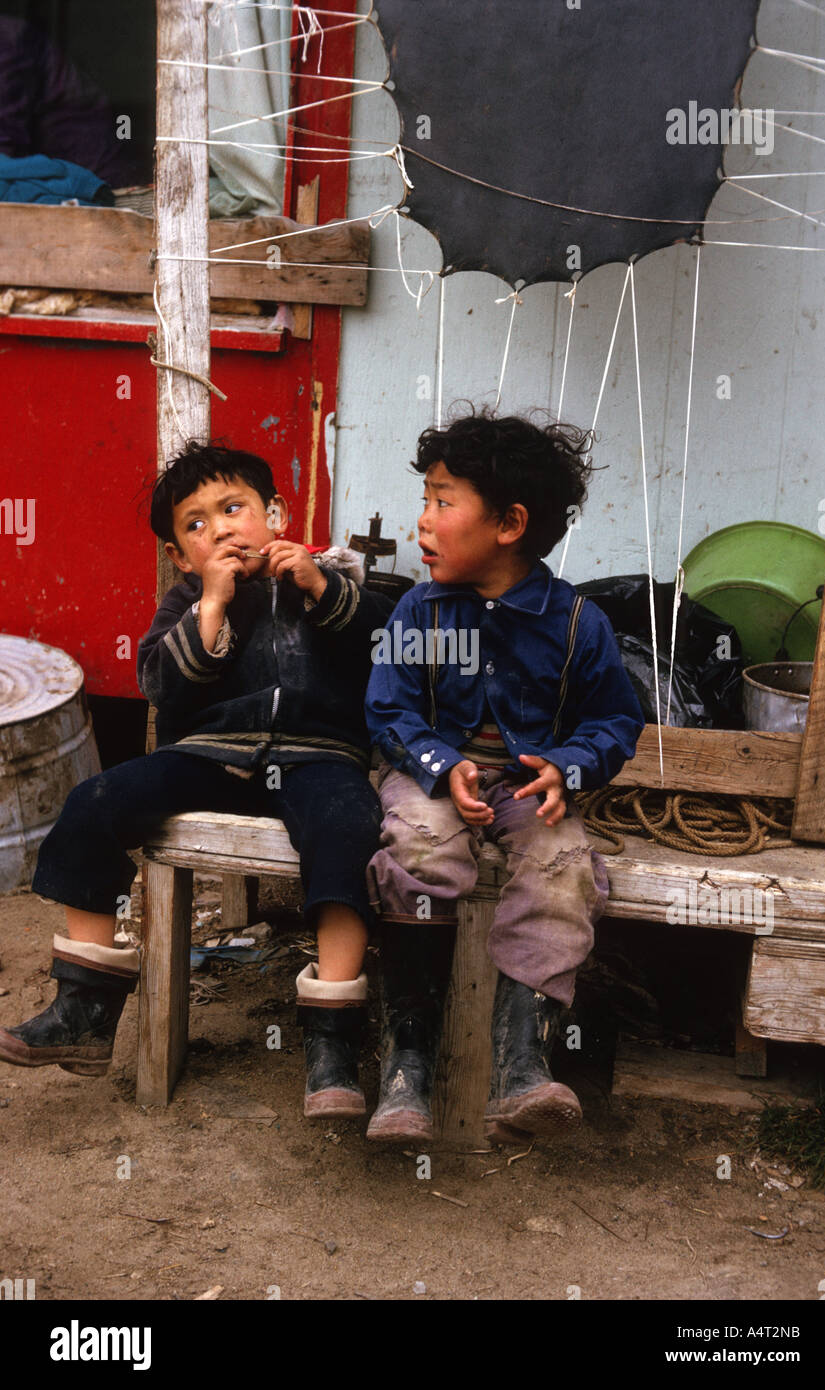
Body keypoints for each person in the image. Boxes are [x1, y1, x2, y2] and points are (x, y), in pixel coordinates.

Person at [0, 442, 392, 1119]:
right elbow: (161, 685)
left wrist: (321, 588)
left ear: (276, 512)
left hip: (317, 756)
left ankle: (332, 1042)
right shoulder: (188, 599)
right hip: (212, 756)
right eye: (197, 524)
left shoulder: (326, 581)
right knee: (94, 802)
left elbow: (386, 650)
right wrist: (210, 607)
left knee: (348, 831)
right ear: (181, 555)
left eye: (234, 508)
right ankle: (84, 1011)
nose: (222, 529)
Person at [364, 410, 645, 1144]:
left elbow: (615, 722)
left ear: (510, 524)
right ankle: (407, 1067)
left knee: (561, 863)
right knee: (421, 843)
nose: (422, 520)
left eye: (442, 500)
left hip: (525, 794)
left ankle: (521, 1067)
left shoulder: (580, 623)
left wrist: (569, 767)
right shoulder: (417, 613)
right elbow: (387, 711)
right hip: (429, 781)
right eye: (425, 498)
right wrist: (439, 762)